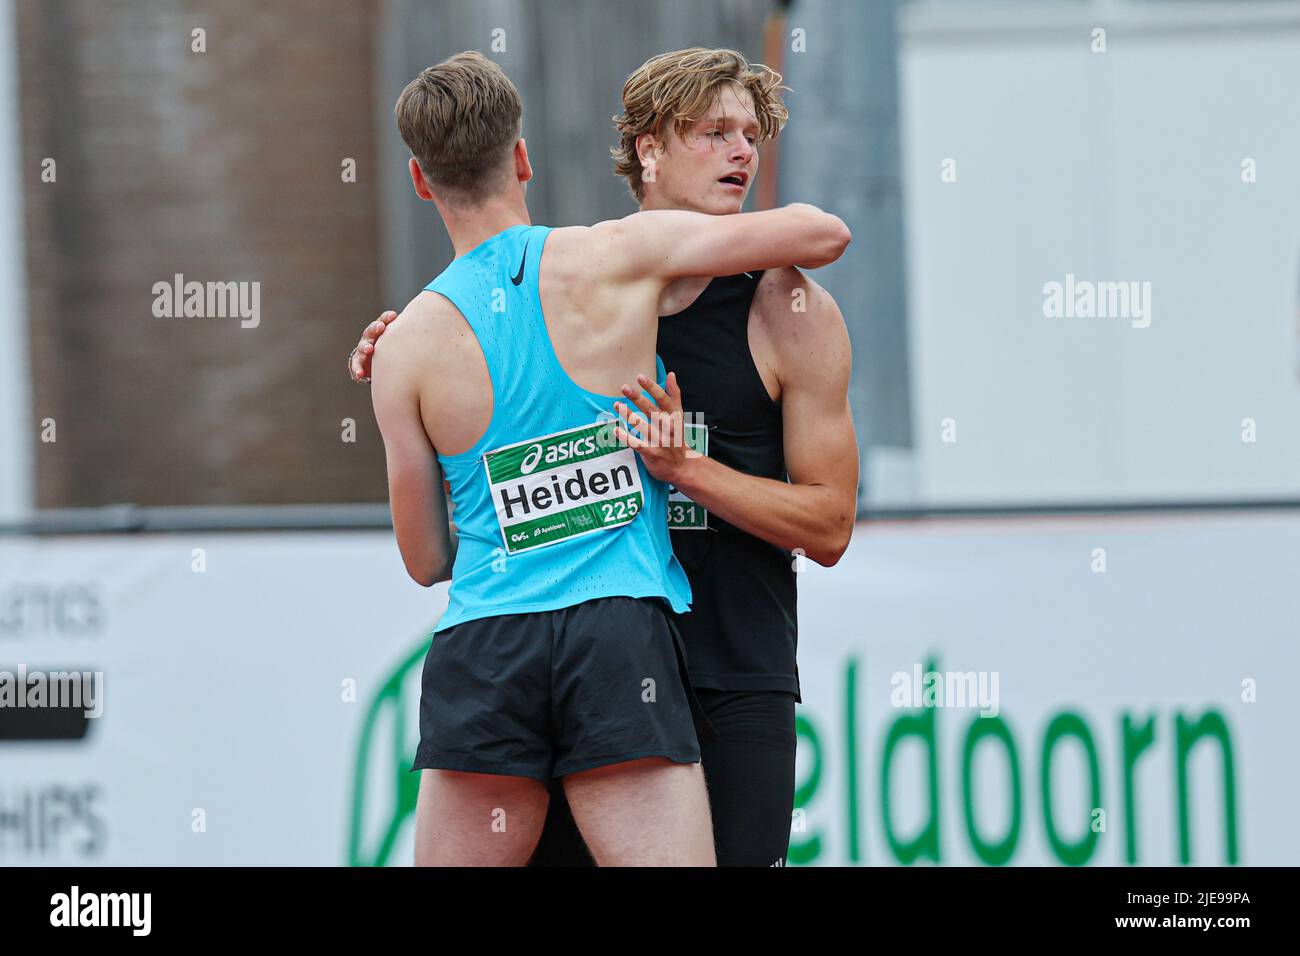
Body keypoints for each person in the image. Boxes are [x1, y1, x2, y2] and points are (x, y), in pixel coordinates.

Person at [367, 50, 850, 866]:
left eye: (751, 134)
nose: (742, 152)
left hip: (726, 673)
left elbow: (831, 526)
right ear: (647, 151)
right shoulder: (606, 271)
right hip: (606, 660)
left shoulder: (783, 305)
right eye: (713, 133)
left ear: (421, 179)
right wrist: (397, 345)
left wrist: (689, 471)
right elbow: (500, 319)